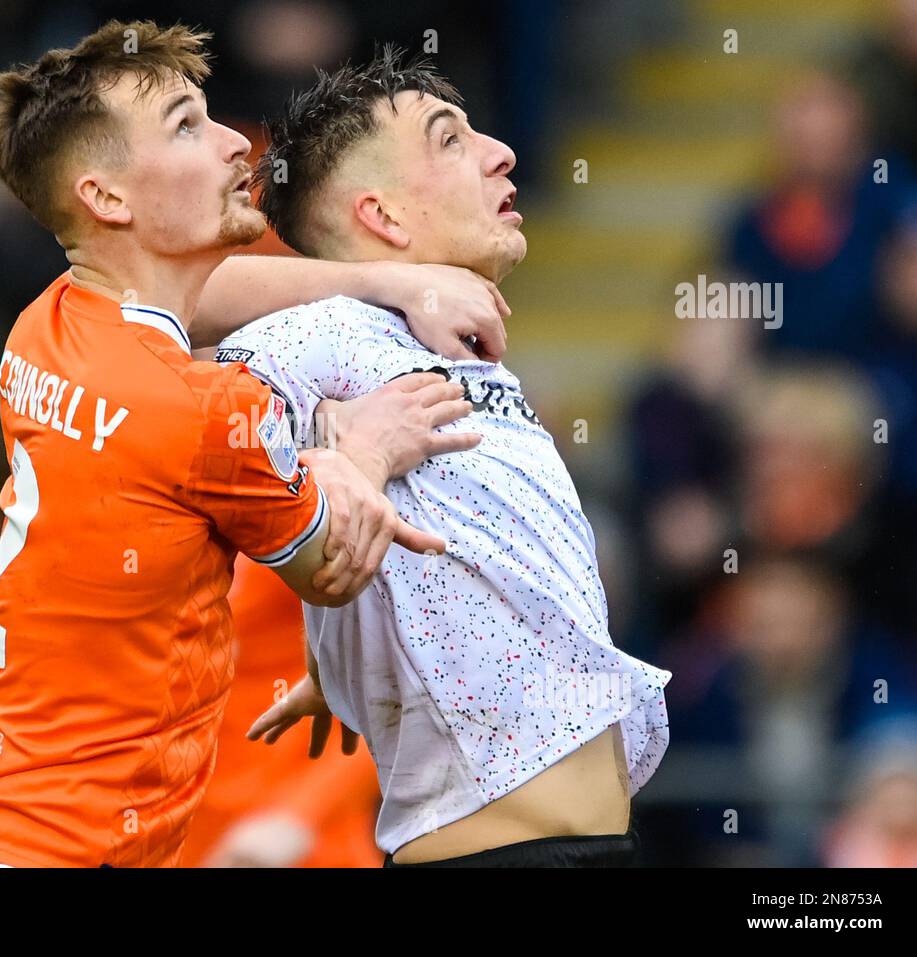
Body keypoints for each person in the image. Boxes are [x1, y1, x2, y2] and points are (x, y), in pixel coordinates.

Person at [0, 21, 495, 868]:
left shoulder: (44, 328)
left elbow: (209, 294)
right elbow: (330, 565)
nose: (236, 142)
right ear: (109, 199)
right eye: (188, 125)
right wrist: (367, 448)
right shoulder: (206, 410)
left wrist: (391, 279)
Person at [232, 48, 672, 867]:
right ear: (386, 219)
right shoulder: (327, 330)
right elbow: (150, 322)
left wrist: (338, 645)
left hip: (594, 842)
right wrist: (348, 456)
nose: (501, 152)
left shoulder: (456, 344)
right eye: (449, 139)